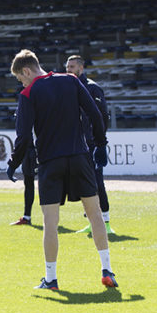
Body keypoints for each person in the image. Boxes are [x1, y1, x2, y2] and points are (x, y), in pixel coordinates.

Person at [6, 50, 116, 290]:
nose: (21, 83)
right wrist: (101, 143)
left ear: (26, 71)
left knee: (50, 222)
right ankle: (107, 269)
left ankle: (51, 278)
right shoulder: (70, 80)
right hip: (79, 156)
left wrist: (13, 163)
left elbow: (23, 137)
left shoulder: (28, 93)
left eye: (20, 78)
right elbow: (95, 114)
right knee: (95, 214)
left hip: (50, 162)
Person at [63, 55, 114, 235]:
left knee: (97, 182)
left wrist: (99, 141)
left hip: (92, 145)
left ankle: (106, 222)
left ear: (81, 68)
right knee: (85, 184)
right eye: (67, 66)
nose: (68, 69)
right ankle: (93, 221)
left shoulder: (92, 88)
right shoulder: (67, 88)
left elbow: (103, 117)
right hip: (77, 145)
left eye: (72, 66)